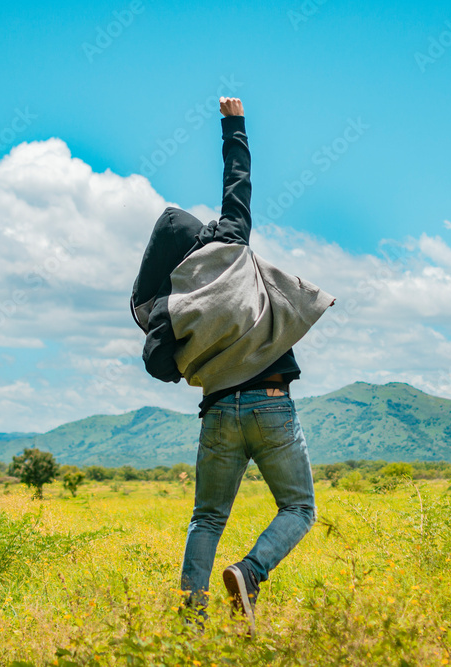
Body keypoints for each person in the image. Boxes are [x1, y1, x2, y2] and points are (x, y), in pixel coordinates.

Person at [130, 96, 335, 635]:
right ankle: (248, 573)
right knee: (299, 509)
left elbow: (159, 366)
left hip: (217, 412)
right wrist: (233, 124)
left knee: (206, 518)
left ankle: (191, 623)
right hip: (271, 403)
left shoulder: (172, 304)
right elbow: (237, 182)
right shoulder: (231, 243)